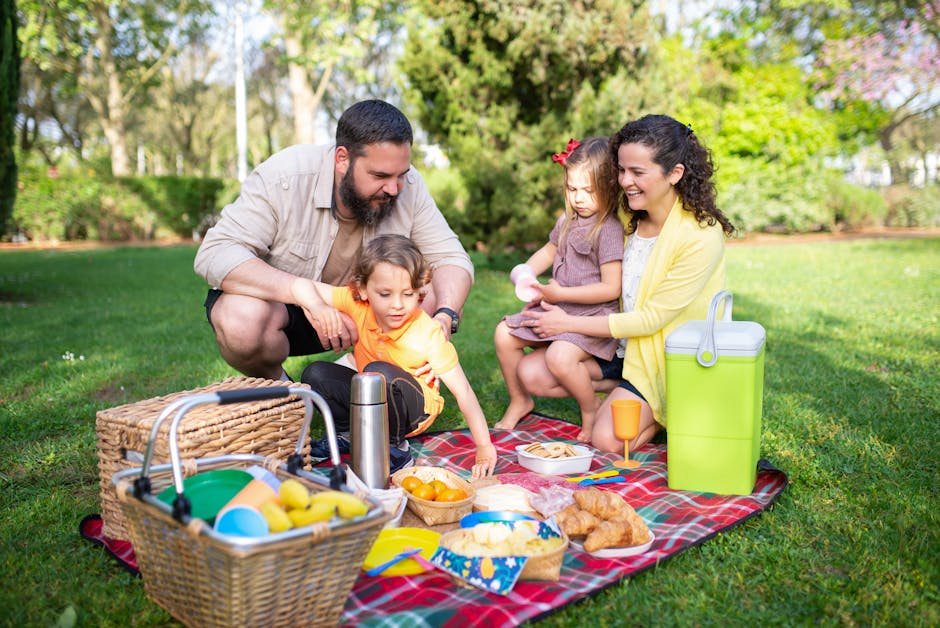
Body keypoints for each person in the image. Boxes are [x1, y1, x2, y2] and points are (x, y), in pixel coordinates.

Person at [194, 99, 474, 381]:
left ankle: (357, 376)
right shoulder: (284, 176)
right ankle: (286, 394)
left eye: (401, 175)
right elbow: (216, 252)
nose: (393, 188)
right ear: (343, 159)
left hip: (368, 312)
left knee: (435, 288)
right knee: (238, 318)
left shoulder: (409, 186)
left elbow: (451, 259)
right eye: (380, 175)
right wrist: (300, 291)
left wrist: (445, 316)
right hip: (289, 309)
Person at [516, 115, 735, 453]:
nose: (625, 181)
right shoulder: (626, 219)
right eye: (621, 170)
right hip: (621, 350)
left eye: (637, 172)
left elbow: (651, 319)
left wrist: (568, 322)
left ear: (674, 173)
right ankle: (618, 388)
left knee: (606, 440)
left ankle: (664, 412)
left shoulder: (700, 236)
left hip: (663, 361)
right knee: (531, 373)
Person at [295, 234, 498, 478]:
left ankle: (395, 449)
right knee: (315, 373)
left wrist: (484, 447)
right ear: (363, 289)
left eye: (408, 293)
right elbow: (301, 286)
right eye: (385, 294)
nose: (398, 305)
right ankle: (347, 434)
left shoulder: (426, 332)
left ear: (420, 291)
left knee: (377, 371)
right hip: (374, 395)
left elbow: (463, 391)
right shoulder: (357, 304)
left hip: (412, 411)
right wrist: (318, 307)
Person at [493, 137, 624, 442]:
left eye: (588, 190)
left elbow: (610, 287)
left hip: (590, 316)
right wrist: (526, 271)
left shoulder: (609, 229)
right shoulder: (567, 220)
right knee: (503, 334)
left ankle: (590, 408)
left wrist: (560, 294)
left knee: (560, 358)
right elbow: (550, 251)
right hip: (556, 306)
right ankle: (520, 400)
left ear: (609, 187)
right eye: (572, 188)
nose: (579, 198)